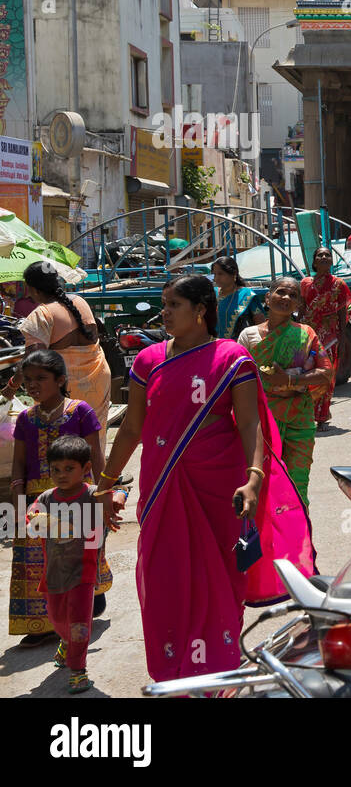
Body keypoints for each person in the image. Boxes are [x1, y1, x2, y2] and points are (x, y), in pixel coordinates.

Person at [99, 274, 315, 684]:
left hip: (220, 484)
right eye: (163, 304)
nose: (163, 313)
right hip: (162, 482)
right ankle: (172, 673)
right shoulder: (148, 360)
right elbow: (130, 429)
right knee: (165, 576)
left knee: (221, 577)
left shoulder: (231, 357)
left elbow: (250, 424)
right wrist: (106, 480)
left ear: (200, 311)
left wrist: (254, 479)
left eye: (173, 305)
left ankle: (218, 674)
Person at [6, 350, 113, 648]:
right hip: (37, 502)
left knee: (78, 555)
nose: (33, 385)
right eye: (28, 380)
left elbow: (96, 457)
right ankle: (43, 623)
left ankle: (85, 604)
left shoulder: (80, 411)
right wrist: (17, 499)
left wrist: (104, 495)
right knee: (37, 561)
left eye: (41, 378)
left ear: (61, 379)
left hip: (78, 498)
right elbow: (18, 463)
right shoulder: (26, 419)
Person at [238, 277, 333, 507]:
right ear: (267, 299)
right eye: (281, 292)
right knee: (261, 482)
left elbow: (326, 373)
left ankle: (298, 537)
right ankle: (263, 539)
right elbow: (237, 381)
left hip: (299, 418)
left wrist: (289, 379)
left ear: (298, 305)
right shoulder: (248, 337)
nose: (287, 298)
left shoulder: (306, 333)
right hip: (260, 421)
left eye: (293, 296)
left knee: (297, 485)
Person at [23, 436, 104, 693]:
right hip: (54, 573)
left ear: (85, 468)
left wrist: (119, 497)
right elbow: (31, 516)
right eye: (55, 469)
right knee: (58, 619)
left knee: (79, 622)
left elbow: (115, 494)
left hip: (83, 572)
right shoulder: (47, 498)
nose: (61, 474)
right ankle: (66, 642)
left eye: (69, 468)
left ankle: (78, 671)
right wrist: (34, 520)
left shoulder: (92, 494)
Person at [17, 262, 112, 452]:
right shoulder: (79, 301)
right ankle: (95, 479)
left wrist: (11, 386)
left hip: (68, 388)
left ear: (32, 289)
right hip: (98, 378)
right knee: (94, 435)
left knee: (63, 445)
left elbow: (34, 363)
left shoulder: (41, 315)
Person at [300, 247, 351, 431]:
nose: (323, 257)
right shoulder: (305, 283)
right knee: (306, 374)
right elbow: (302, 310)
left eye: (327, 255)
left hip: (330, 337)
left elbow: (342, 312)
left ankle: (321, 417)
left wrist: (343, 337)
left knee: (325, 376)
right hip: (308, 336)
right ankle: (306, 414)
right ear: (314, 262)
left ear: (331, 261)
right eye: (319, 255)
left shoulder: (339, 284)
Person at [212, 255, 265, 341]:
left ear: (234, 273)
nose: (216, 278)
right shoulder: (212, 293)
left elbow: (260, 324)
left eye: (220, 274)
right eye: (214, 274)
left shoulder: (247, 295)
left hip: (239, 346)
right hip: (215, 346)